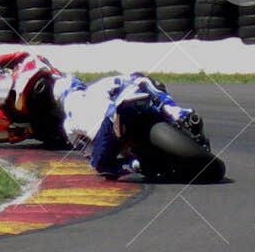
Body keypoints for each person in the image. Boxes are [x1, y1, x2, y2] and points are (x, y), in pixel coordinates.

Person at [60, 73, 200, 178]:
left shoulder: (68, 125)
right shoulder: (97, 86)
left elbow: (88, 152)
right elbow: (132, 79)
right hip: (123, 109)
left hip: (116, 119)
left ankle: (135, 163)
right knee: (149, 85)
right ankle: (178, 113)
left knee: (101, 166)